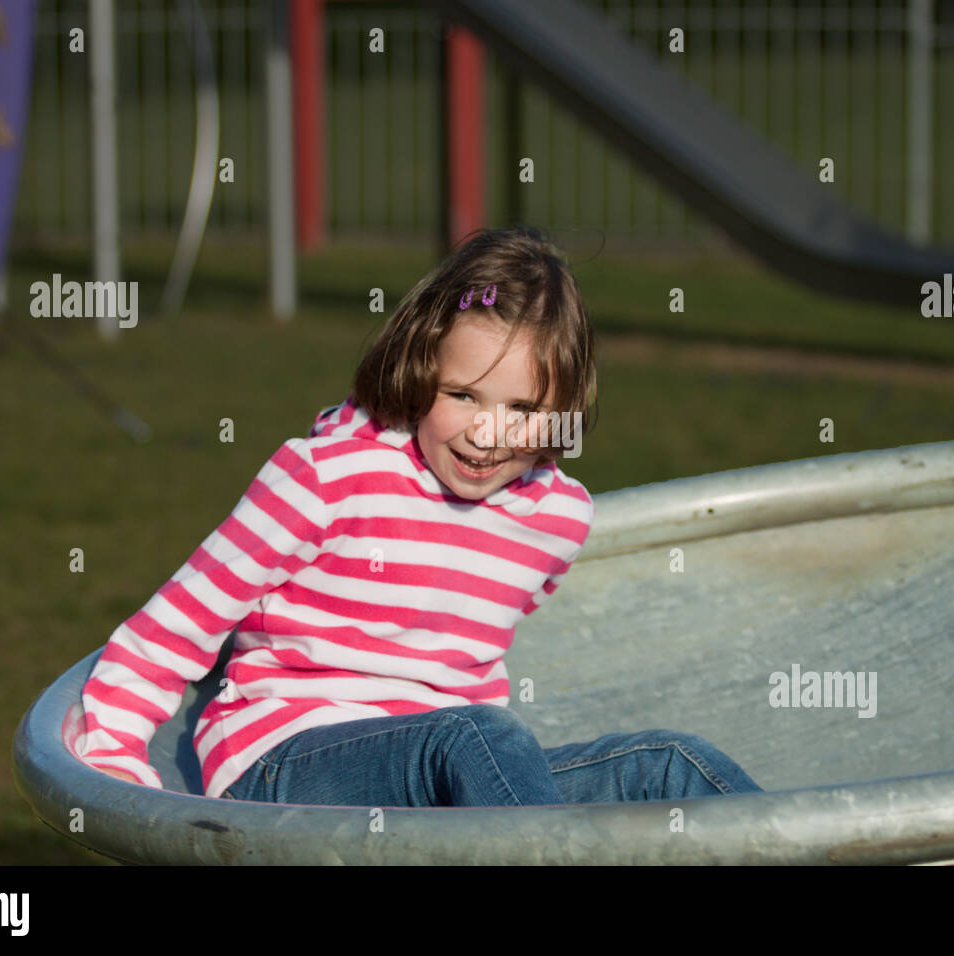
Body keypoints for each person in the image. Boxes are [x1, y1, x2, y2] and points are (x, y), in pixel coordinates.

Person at [76, 225, 763, 806]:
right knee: (478, 736)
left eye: (522, 410)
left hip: (452, 774)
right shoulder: (323, 478)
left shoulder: (553, 519)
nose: (489, 434)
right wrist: (110, 758)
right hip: (284, 763)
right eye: (462, 395)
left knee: (672, 766)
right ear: (418, 365)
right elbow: (175, 625)